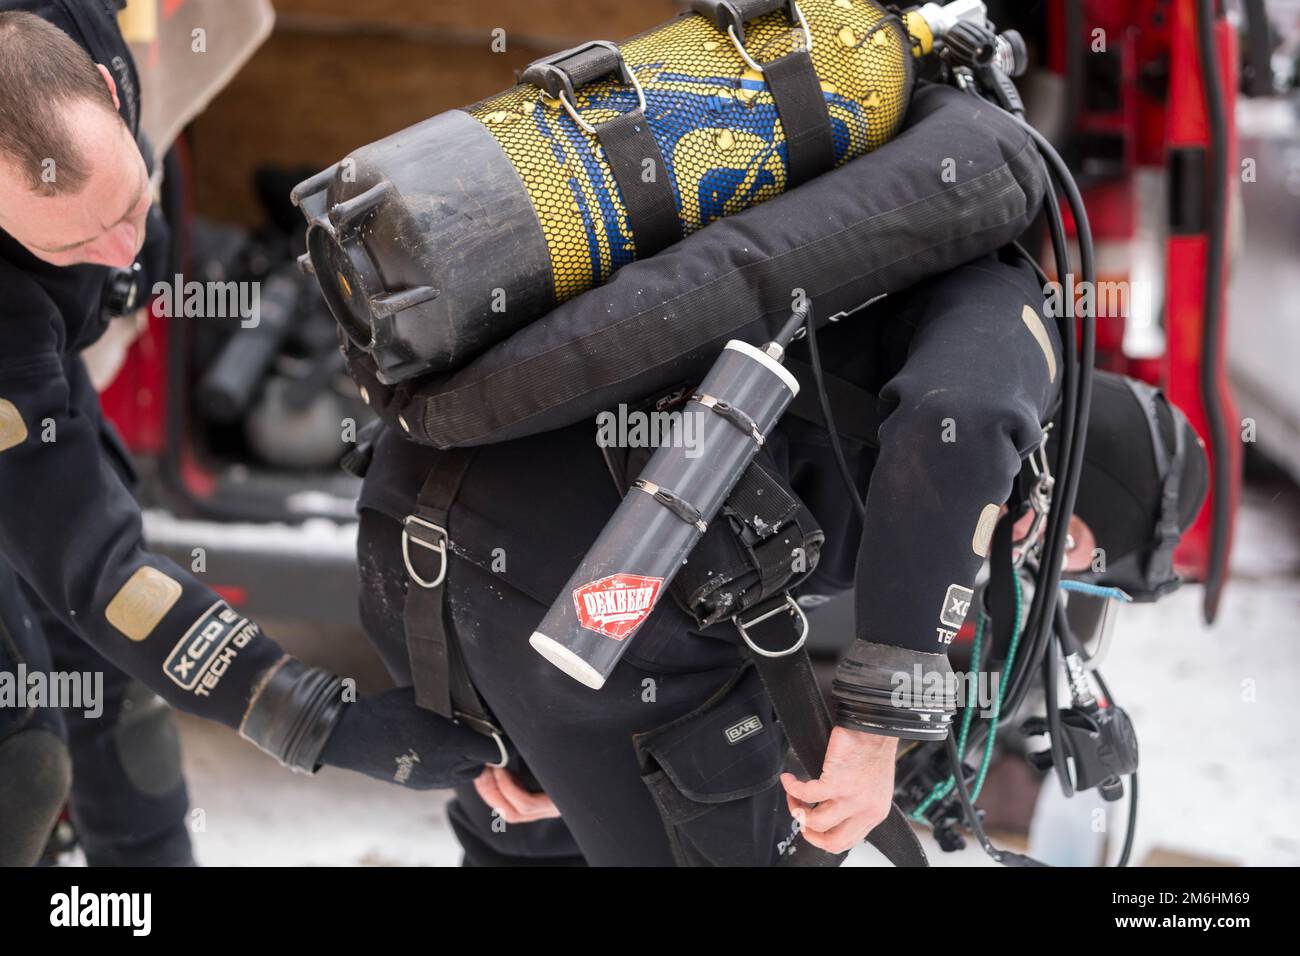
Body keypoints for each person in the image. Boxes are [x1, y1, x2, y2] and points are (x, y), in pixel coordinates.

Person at [0, 6, 525, 867]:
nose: (126, 248)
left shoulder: (88, 32)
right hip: (22, 381)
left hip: (55, 351)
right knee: (22, 765)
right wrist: (328, 722)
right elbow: (100, 573)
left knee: (115, 689)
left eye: (130, 203)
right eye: (77, 242)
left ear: (105, 81)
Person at [352, 247, 1068, 865]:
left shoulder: (874, 258)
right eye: (1085, 551)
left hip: (411, 514)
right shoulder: (1016, 326)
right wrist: (879, 725)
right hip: (595, 600)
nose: (1054, 552)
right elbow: (964, 419)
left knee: (529, 845)